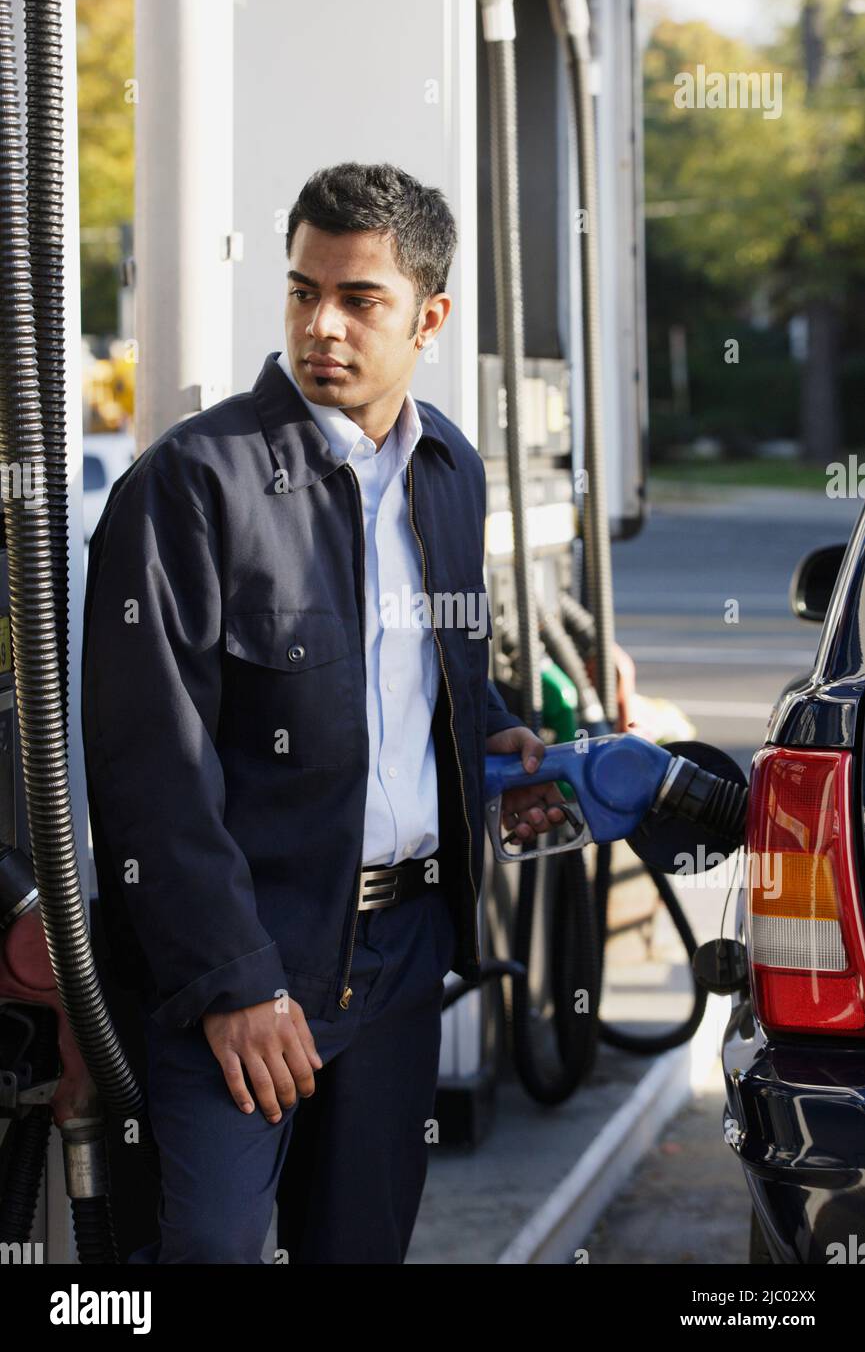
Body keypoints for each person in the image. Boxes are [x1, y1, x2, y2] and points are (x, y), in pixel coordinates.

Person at [81, 161, 565, 1264]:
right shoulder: (192, 484)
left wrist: (491, 733)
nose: (323, 326)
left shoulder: (449, 469)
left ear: (429, 317)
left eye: (360, 300)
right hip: (245, 959)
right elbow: (148, 769)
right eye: (304, 292)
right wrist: (234, 982)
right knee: (202, 1251)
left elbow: (434, 665)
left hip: (401, 954)